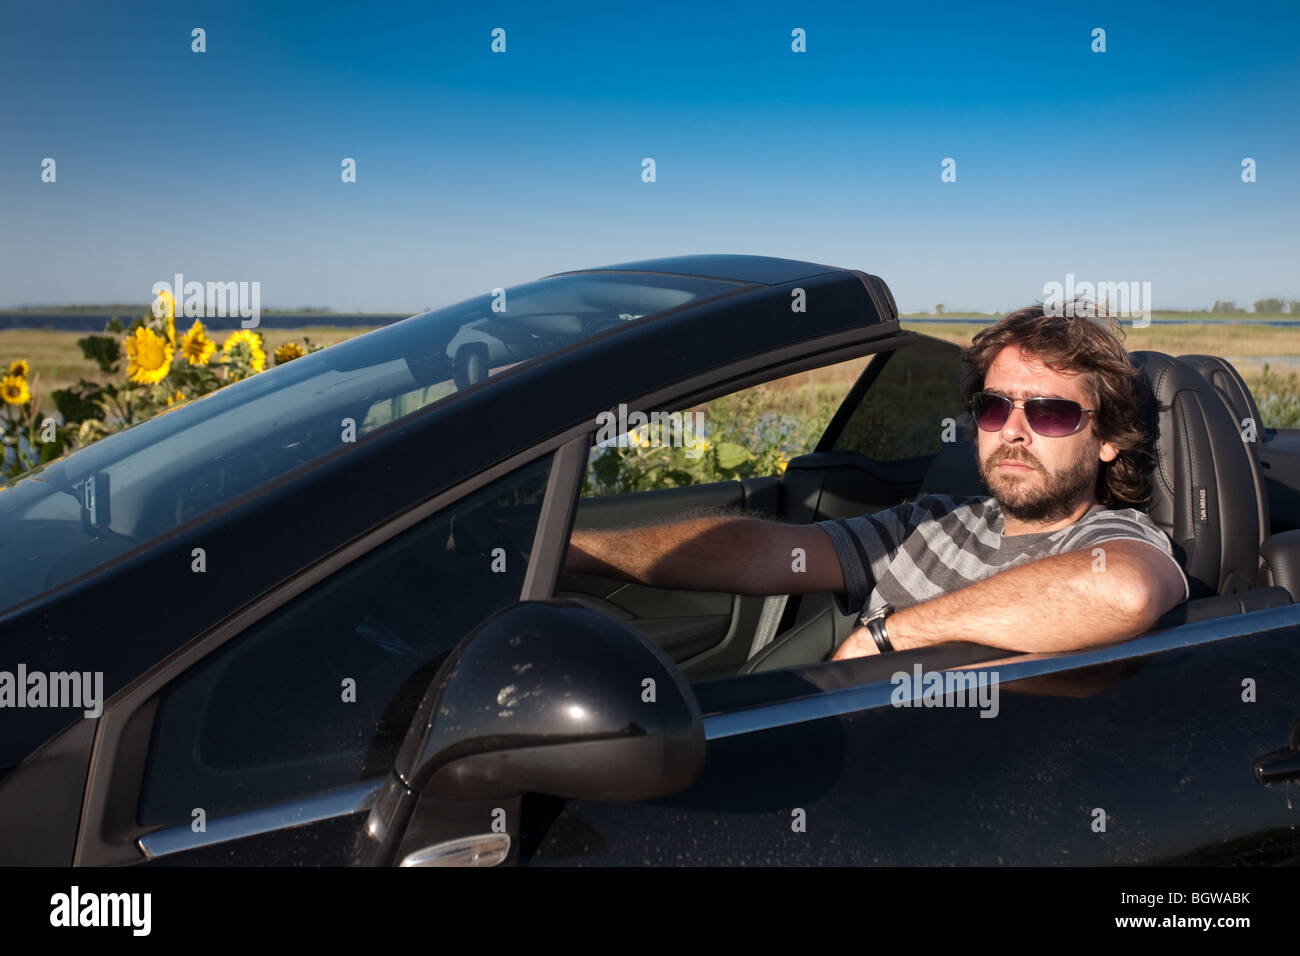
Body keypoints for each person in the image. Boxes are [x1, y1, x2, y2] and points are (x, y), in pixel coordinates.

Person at [565, 303, 1190, 662]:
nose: (1014, 431)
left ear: (1108, 441)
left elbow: (1126, 593)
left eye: (1050, 412)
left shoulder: (1107, 539)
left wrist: (889, 634)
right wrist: (579, 549)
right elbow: (769, 553)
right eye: (995, 407)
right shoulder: (933, 520)